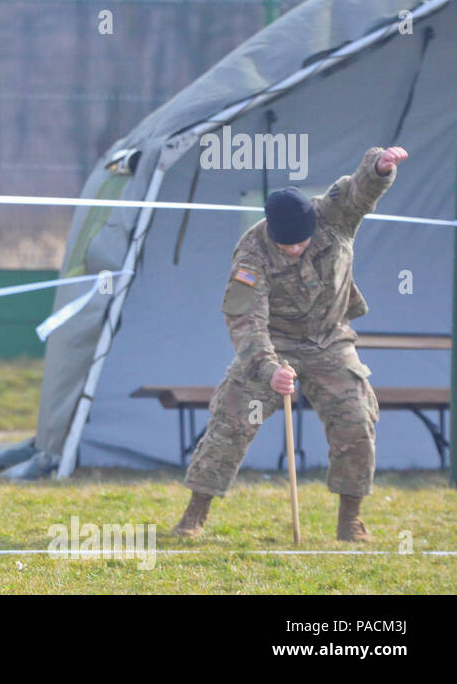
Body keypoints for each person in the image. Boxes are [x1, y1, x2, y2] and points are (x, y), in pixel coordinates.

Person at [172, 146, 408, 542]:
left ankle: (350, 520)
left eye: (300, 243)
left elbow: (357, 192)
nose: (294, 249)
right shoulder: (252, 254)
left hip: (330, 340)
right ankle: (195, 514)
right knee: (232, 418)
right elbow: (246, 321)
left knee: (356, 419)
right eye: (287, 246)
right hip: (274, 345)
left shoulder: (331, 217)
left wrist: (379, 169)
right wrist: (269, 369)